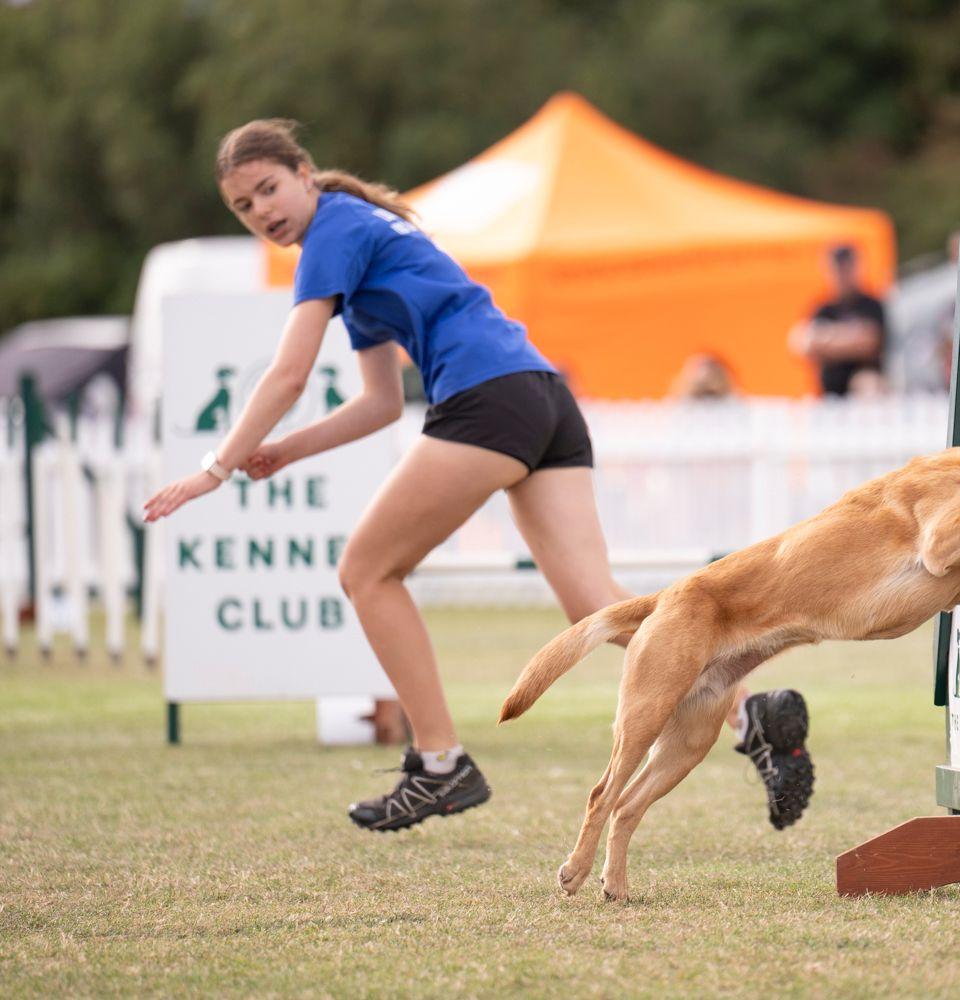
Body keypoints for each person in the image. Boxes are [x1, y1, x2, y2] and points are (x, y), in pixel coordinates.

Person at [143, 119, 814, 833]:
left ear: (305, 175)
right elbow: (375, 404)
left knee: (366, 572)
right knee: (597, 608)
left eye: (269, 189)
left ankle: (440, 765)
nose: (262, 212)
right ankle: (753, 716)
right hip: (540, 396)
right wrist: (285, 451)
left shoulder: (331, 234)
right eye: (244, 207)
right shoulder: (357, 234)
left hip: (489, 400)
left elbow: (288, 372)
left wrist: (213, 470)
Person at [788, 244, 886, 396]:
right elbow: (801, 344)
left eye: (845, 268)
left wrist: (825, 339)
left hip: (861, 386)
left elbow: (869, 342)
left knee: (869, 384)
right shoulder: (823, 308)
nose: (841, 275)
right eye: (837, 269)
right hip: (829, 391)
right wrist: (848, 339)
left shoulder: (871, 305)